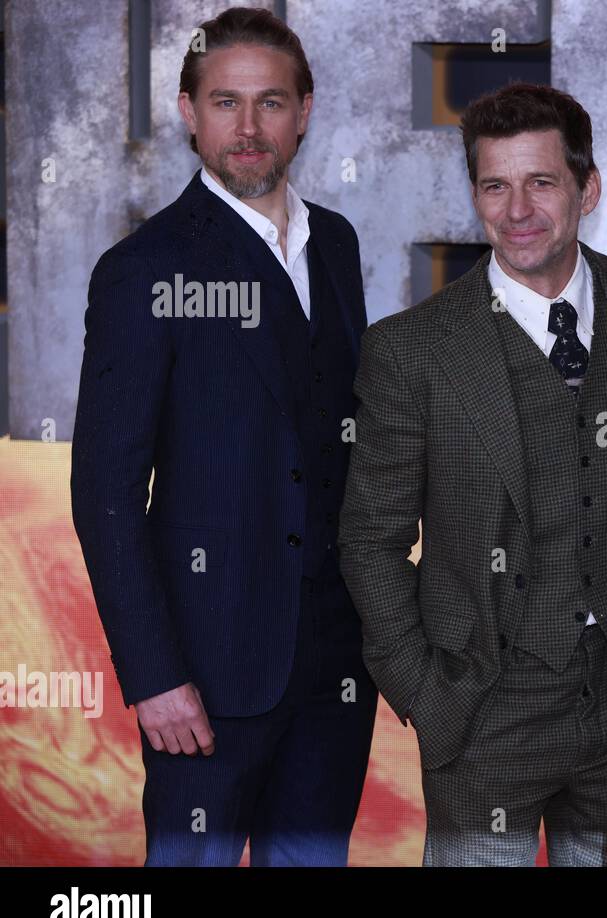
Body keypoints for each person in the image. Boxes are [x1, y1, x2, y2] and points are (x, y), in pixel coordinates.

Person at [338, 82, 607, 866]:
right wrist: (431, 697)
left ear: (587, 189)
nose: (516, 208)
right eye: (494, 186)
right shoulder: (413, 347)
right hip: (482, 712)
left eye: (540, 182)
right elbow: (370, 540)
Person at [70, 7, 377, 866]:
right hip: (201, 678)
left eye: (271, 102)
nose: (248, 128)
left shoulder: (339, 246)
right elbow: (104, 494)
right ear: (188, 111)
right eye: (225, 102)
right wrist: (155, 675)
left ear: (305, 111)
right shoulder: (143, 268)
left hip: (333, 667)